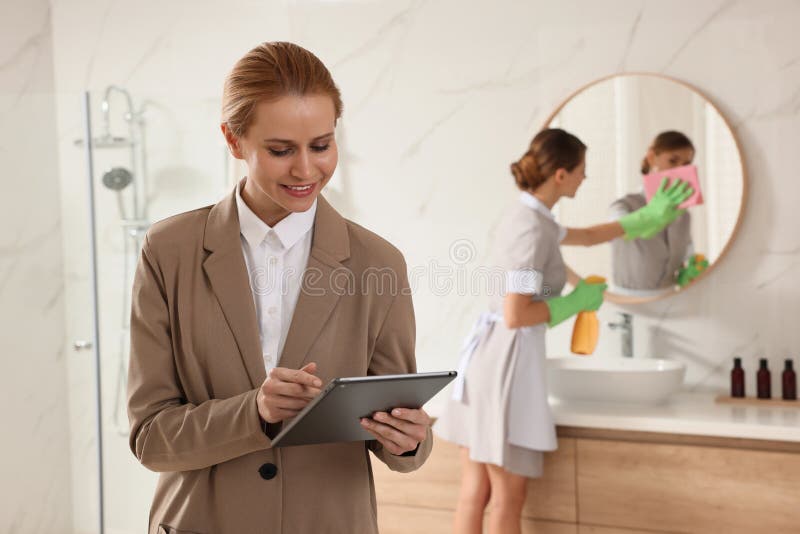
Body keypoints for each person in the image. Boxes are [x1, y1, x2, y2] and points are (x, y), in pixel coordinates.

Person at [127, 41, 432, 534]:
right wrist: (255, 412)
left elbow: (395, 424)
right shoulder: (169, 250)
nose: (306, 170)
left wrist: (410, 440)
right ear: (233, 140)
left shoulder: (379, 263)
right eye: (281, 150)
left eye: (321, 145)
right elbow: (150, 438)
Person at [433, 128, 691, 534]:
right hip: (507, 368)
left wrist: (644, 219)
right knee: (508, 496)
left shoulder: (532, 216)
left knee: (475, 490)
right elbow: (517, 313)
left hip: (490, 360)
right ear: (561, 175)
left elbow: (586, 237)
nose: (585, 178)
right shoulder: (532, 228)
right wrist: (574, 303)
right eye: (582, 170)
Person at [610, 130, 707, 293]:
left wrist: (691, 269)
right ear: (651, 157)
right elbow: (617, 230)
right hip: (628, 299)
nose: (679, 170)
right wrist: (652, 215)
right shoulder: (623, 206)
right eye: (673, 161)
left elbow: (687, 255)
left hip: (670, 297)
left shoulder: (683, 215)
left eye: (686, 165)